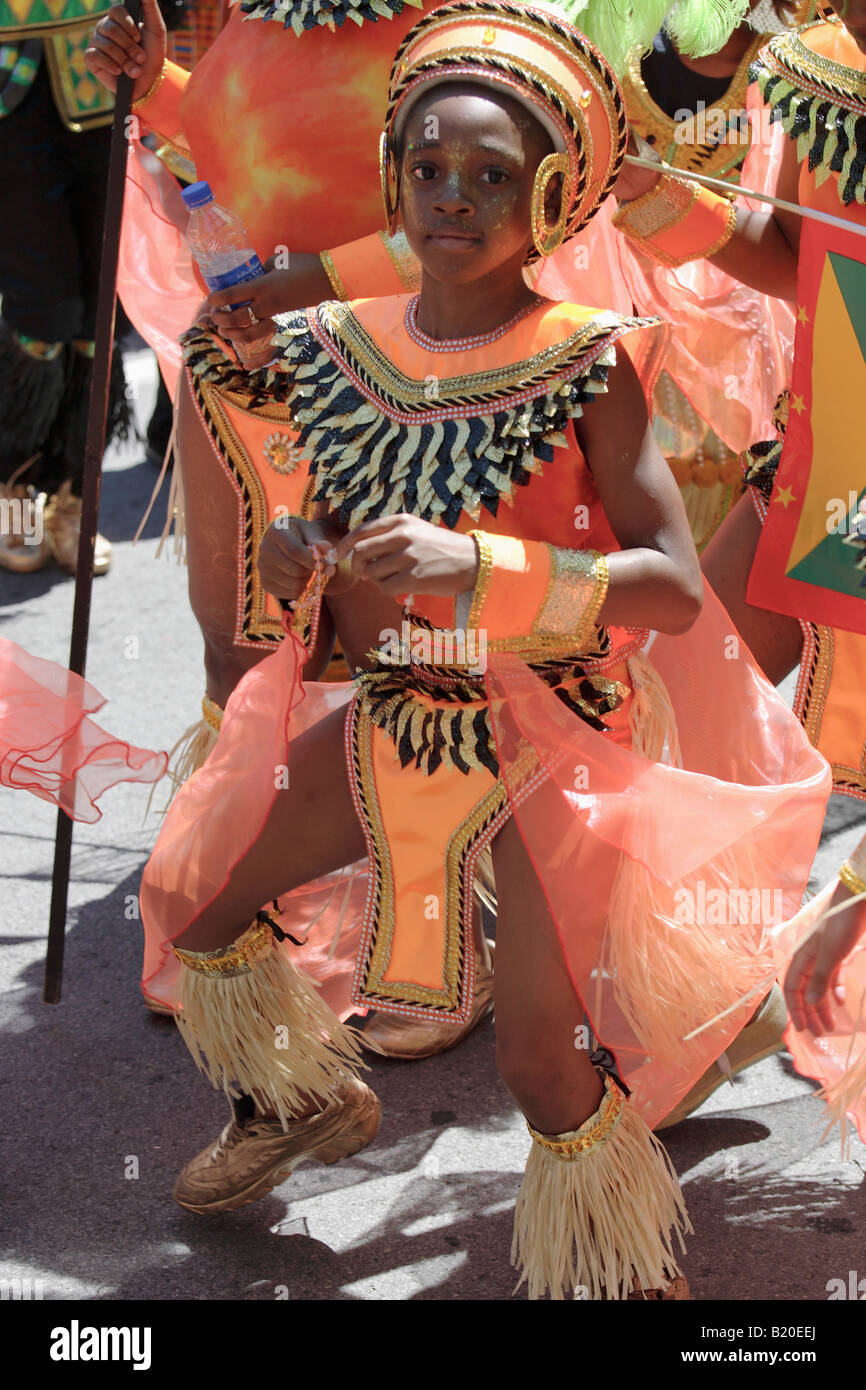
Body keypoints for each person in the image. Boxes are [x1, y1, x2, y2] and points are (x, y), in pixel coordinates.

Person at [136, 2, 831, 1295]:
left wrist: (490, 567)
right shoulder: (347, 344)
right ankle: (290, 1101)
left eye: (491, 176)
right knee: (197, 900)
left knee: (540, 1068)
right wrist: (299, 554)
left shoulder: (587, 363)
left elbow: (673, 591)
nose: (451, 198)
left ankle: (620, 1264)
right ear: (394, 182)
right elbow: (334, 508)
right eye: (428, 170)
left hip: (546, 739)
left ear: (553, 194)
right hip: (396, 716)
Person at [610, 0, 866, 1140]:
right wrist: (649, 195)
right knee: (663, 700)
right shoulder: (818, 73)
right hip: (823, 476)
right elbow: (802, 268)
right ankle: (706, 1001)